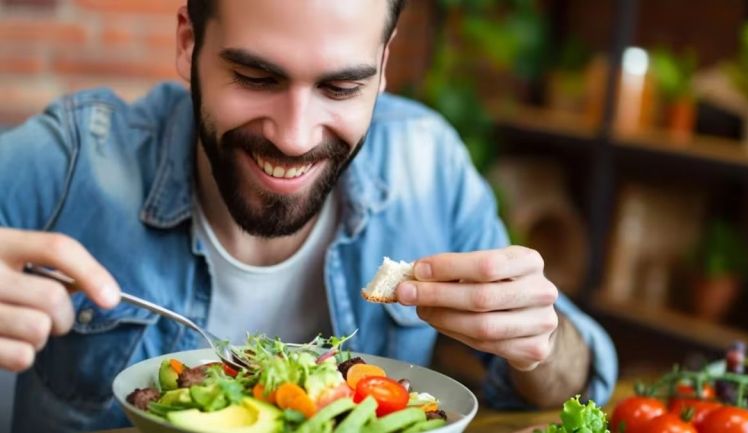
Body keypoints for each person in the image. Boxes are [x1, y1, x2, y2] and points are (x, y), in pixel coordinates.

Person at [0, 1, 617, 431]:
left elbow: (571, 386)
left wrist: (541, 344)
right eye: (254, 75)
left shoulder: (429, 167)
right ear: (188, 42)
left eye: (341, 88)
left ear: (382, 64)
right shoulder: (75, 161)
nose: (295, 138)